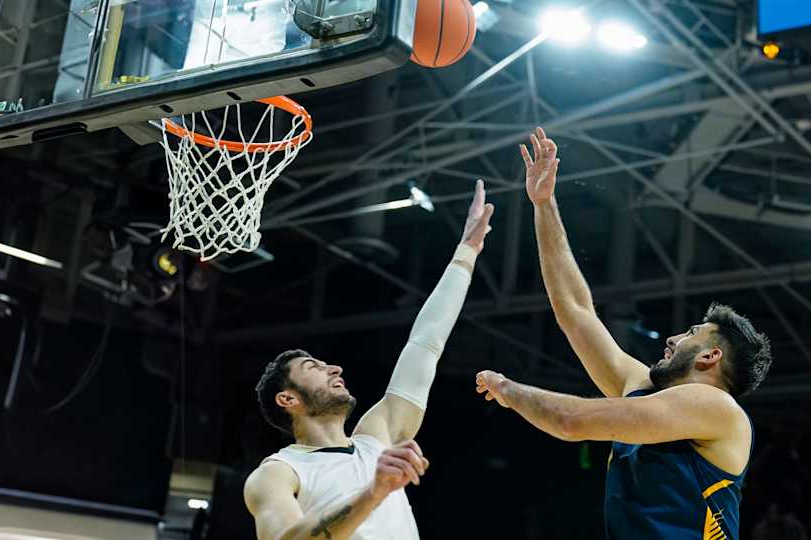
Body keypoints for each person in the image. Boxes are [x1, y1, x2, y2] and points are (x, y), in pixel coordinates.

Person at [475, 128, 772, 540]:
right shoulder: (644, 387)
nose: (672, 339)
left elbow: (570, 421)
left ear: (710, 358)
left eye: (690, 333)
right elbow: (576, 311)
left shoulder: (716, 408)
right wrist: (545, 205)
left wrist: (509, 390)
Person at [245, 181, 494, 540]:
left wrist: (466, 252)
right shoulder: (279, 472)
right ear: (288, 399)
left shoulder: (377, 436)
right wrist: (374, 491)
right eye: (314, 368)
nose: (334, 368)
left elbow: (425, 344)